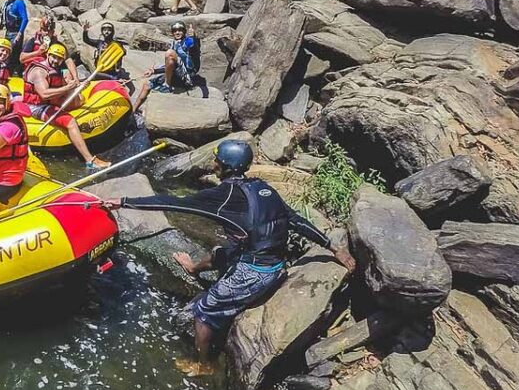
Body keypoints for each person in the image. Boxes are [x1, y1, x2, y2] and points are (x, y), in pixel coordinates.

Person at [102, 139, 355, 376]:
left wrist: (123, 201)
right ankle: (193, 268)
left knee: (202, 313)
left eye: (217, 162)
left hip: (256, 273)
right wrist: (333, 247)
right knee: (220, 252)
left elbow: (171, 202)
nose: (213, 165)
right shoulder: (263, 188)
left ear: (224, 167)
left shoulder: (222, 196)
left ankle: (204, 365)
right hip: (274, 263)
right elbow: (297, 221)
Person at [20, 43, 110, 168]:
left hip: (48, 101)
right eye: (54, 57)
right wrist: (67, 88)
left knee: (79, 99)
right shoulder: (39, 72)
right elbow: (44, 94)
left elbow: (59, 85)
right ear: (48, 55)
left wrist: (76, 86)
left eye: (59, 58)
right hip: (36, 106)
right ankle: (90, 160)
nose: (56, 61)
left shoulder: (55, 69)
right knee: (70, 122)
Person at [131, 20, 200, 110]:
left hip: (187, 76)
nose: (177, 32)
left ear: (184, 31)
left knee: (170, 53)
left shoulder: (188, 41)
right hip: (176, 74)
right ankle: (133, 110)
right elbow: (170, 65)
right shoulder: (174, 44)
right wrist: (154, 71)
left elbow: (195, 47)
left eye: (180, 30)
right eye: (175, 31)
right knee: (146, 85)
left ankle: (167, 85)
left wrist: (194, 37)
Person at [83, 20, 132, 87]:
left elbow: (120, 56)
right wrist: (85, 31)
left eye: (109, 30)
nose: (106, 32)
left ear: (112, 32)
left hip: (112, 73)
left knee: (111, 78)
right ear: (102, 32)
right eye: (104, 30)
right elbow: (86, 40)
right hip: (100, 71)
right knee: (91, 79)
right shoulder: (99, 43)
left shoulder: (117, 45)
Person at [0, 0, 30, 71]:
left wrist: (19, 34)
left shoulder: (19, 2)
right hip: (8, 32)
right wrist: (1, 26)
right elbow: (4, 16)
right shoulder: (7, 3)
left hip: (16, 33)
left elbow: (25, 19)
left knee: (12, 54)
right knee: (5, 51)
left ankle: (14, 71)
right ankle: (6, 71)